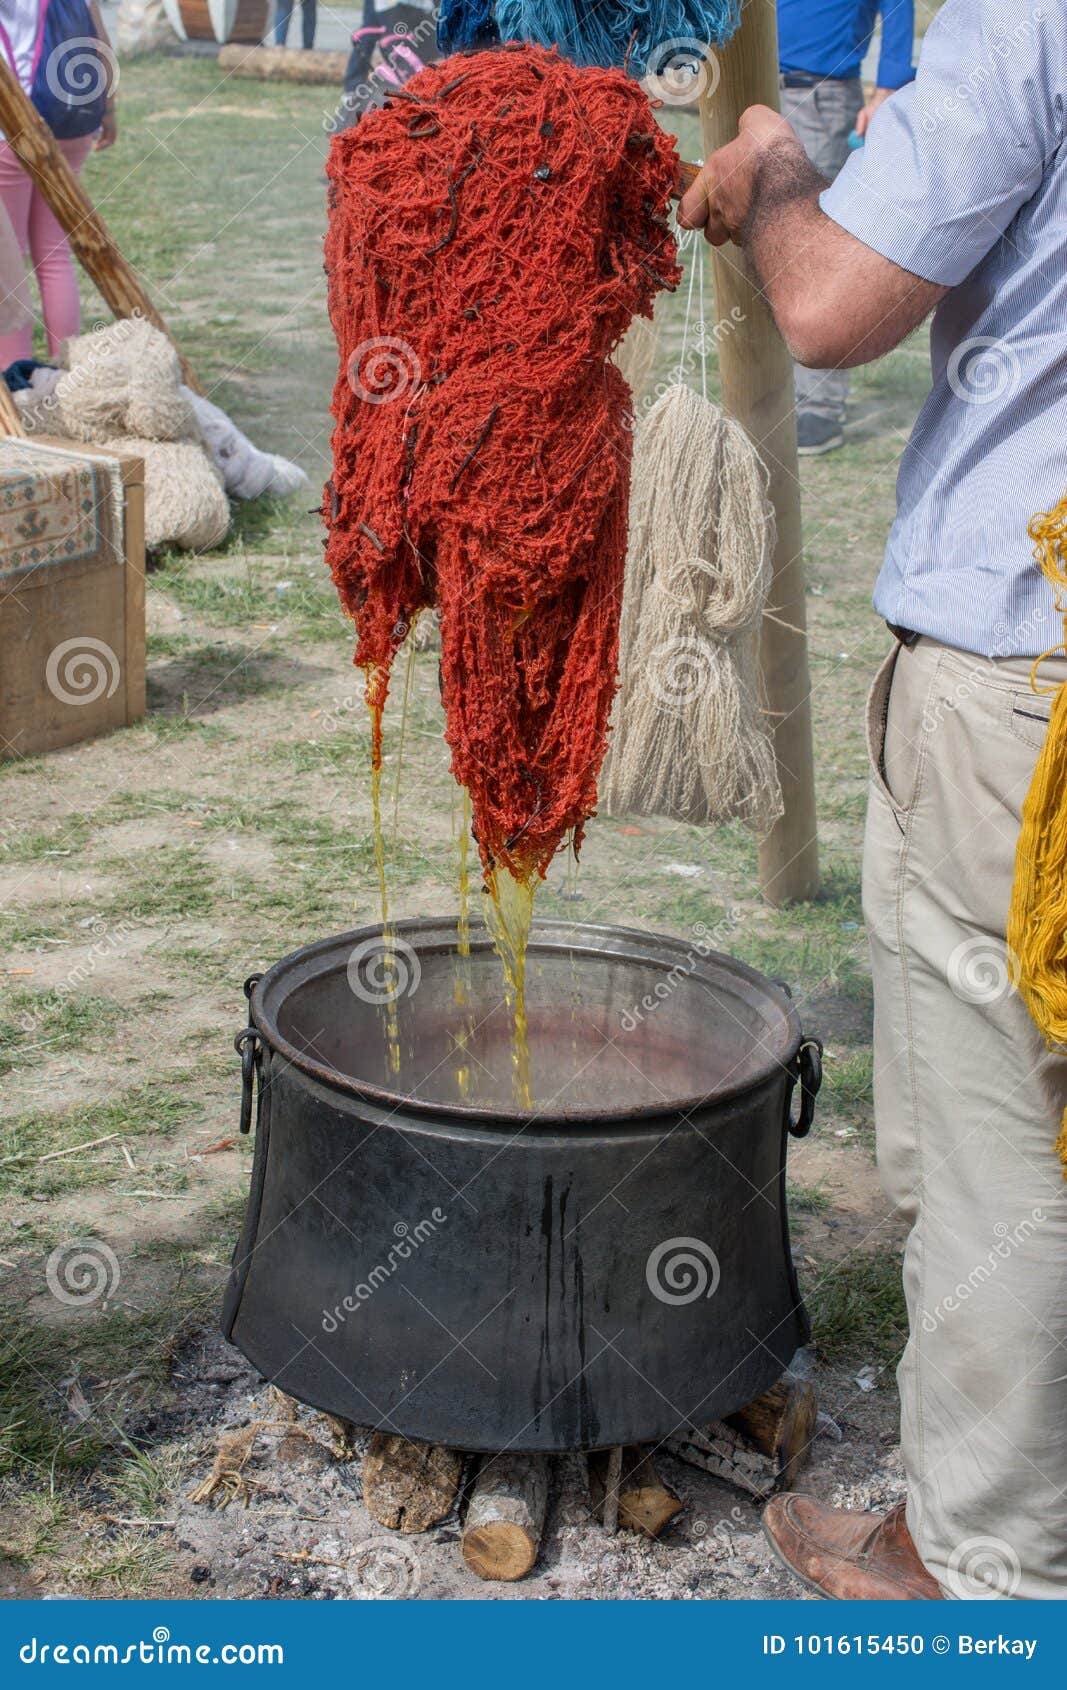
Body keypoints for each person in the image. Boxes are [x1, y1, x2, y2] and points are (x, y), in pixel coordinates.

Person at [680, 0, 1067, 1602]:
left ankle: (989, 1579)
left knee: (1002, 1154)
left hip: (1022, 679)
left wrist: (773, 169)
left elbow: (833, 305)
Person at [777, 0, 914, 456]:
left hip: (821, 94)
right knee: (752, 243)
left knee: (816, 247)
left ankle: (819, 407)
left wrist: (889, 85)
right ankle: (768, 392)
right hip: (754, 82)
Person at [0, 0, 116, 366]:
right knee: (55, 256)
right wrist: (109, 108)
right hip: (73, 120)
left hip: (12, 125)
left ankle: (12, 376)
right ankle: (67, 371)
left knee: (8, 260)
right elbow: (98, 35)